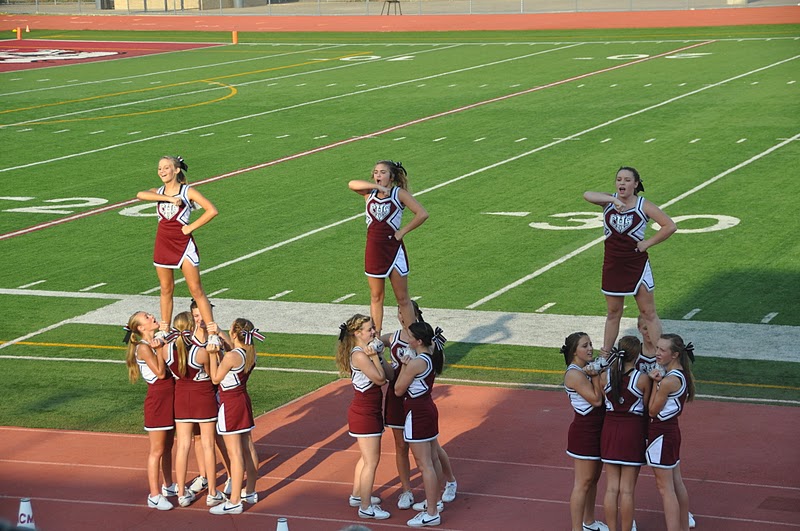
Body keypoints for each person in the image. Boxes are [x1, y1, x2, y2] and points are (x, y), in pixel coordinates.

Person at [584, 167, 676, 354]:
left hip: (636, 264)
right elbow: (587, 194)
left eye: (627, 180)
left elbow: (669, 226)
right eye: (619, 180)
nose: (621, 183)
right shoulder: (608, 202)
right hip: (613, 264)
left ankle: (660, 357)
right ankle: (605, 355)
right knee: (613, 313)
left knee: (648, 313)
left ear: (635, 184)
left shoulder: (643, 205)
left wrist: (647, 243)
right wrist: (612, 199)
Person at [136, 155, 221, 350]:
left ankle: (212, 333)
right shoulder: (158, 192)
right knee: (166, 289)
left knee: (196, 289)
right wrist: (166, 198)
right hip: (163, 244)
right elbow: (141, 194)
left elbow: (212, 210)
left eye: (166, 168)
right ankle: (164, 329)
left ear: (176, 170)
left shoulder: (187, 191)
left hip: (183, 244)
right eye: (159, 168)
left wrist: (190, 228)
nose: (162, 171)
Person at [380, 302, 457, 511]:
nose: (401, 315)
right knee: (402, 446)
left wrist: (407, 366)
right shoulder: (393, 337)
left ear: (415, 314)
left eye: (404, 311)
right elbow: (373, 341)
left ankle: (445, 486)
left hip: (413, 397)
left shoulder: (424, 341)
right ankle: (408, 491)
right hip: (402, 398)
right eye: (398, 311)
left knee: (430, 452)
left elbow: (436, 363)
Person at [348, 160, 429, 335]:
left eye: (383, 172)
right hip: (374, 250)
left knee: (402, 298)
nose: (378, 175)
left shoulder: (398, 193)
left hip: (394, 250)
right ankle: (375, 338)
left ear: (391, 176)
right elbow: (351, 184)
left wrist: (402, 232)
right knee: (376, 297)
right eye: (376, 172)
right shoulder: (369, 193)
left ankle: (411, 338)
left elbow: (422, 214)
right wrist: (377, 188)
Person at [336, 314, 393, 521]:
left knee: (365, 458)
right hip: (365, 412)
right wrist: (375, 357)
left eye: (373, 328)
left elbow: (390, 376)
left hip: (369, 411)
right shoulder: (360, 355)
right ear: (357, 333)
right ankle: (366, 507)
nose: (374, 332)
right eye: (370, 329)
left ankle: (357, 496)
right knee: (372, 461)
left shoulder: (365, 352)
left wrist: (378, 355)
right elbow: (380, 379)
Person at [166, 311, 223, 508]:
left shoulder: (166, 349)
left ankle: (181, 492)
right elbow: (214, 376)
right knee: (208, 445)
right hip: (203, 396)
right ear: (192, 328)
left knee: (182, 446)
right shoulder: (201, 352)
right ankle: (213, 493)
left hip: (181, 398)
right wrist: (215, 353)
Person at [394, 322, 447, 528]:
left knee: (424, 464)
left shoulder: (416, 362)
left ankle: (432, 512)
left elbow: (398, 389)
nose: (406, 338)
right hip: (427, 408)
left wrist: (405, 365)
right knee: (432, 459)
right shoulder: (430, 354)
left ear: (418, 341)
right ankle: (435, 503)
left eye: (410, 336)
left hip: (417, 412)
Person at [207, 318, 262, 515]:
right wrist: (221, 334)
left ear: (234, 334)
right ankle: (251, 491)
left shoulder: (231, 357)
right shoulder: (250, 353)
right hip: (243, 401)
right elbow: (233, 350)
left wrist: (213, 354)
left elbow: (215, 378)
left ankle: (235, 501)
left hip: (230, 404)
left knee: (235, 454)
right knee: (248, 447)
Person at [123, 311, 175, 511]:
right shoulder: (143, 348)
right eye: (146, 317)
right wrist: (161, 350)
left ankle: (169, 485)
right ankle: (154, 495)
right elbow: (161, 373)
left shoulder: (153, 342)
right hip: (157, 402)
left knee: (168, 446)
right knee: (157, 450)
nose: (151, 316)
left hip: (169, 398)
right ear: (141, 328)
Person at [600, 336, 651, 531]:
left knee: (611, 488)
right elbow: (648, 408)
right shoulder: (642, 379)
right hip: (632, 432)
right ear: (637, 354)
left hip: (609, 431)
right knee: (627, 491)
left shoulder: (605, 376)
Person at [646, 334, 695, 531]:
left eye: (662, 350)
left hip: (661, 435)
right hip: (671, 432)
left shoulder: (668, 381)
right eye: (657, 348)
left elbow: (651, 410)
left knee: (665, 489)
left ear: (674, 355)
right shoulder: (681, 374)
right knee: (676, 484)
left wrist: (653, 383)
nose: (657, 353)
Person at [562, 332, 608, 531]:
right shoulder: (574, 374)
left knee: (594, 479)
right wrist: (596, 375)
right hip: (584, 432)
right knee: (582, 483)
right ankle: (576, 528)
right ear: (574, 351)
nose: (590, 348)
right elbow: (597, 400)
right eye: (584, 345)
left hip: (597, 429)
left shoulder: (584, 369)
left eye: (590, 344)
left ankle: (589, 522)